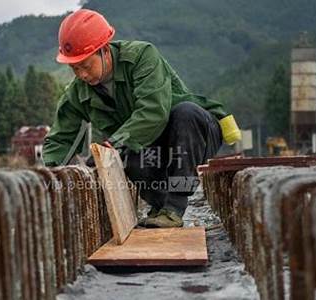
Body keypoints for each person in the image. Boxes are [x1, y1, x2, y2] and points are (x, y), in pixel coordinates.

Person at [43, 9, 241, 227]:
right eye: (74, 68)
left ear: (105, 51)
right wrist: (59, 173)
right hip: (148, 146)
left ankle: (174, 206)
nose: (81, 74)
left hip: (193, 134)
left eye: (86, 65)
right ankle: (160, 205)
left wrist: (112, 146)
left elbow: (153, 113)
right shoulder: (77, 93)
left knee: (185, 113)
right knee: (132, 157)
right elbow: (58, 141)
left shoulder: (141, 57)